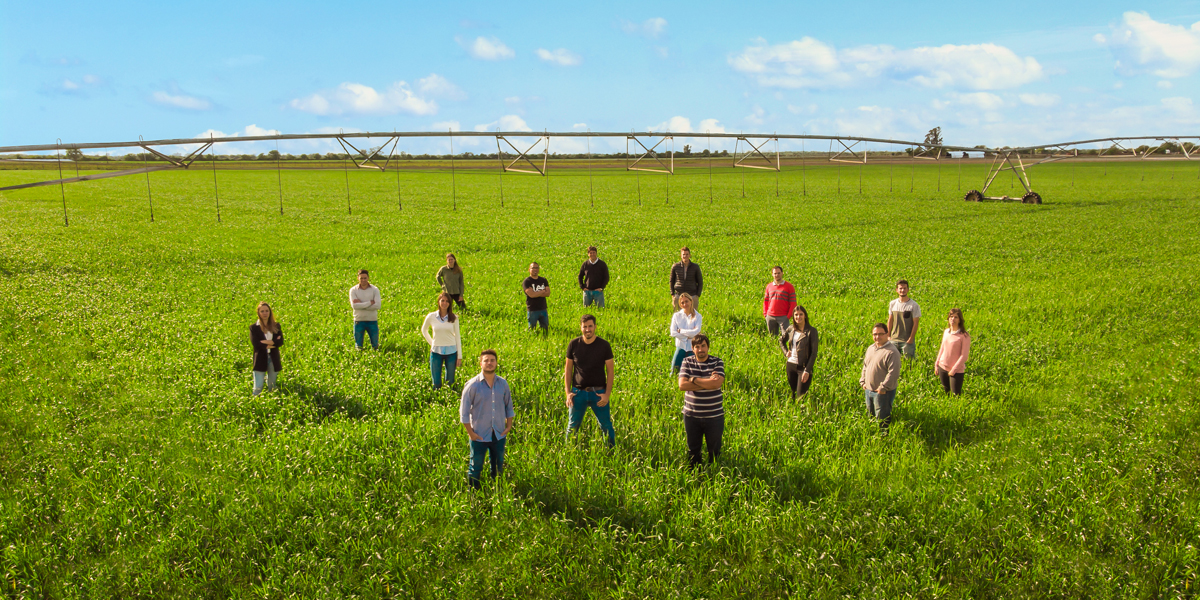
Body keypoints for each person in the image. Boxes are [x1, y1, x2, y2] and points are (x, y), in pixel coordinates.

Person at [459, 349, 514, 489]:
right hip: (479, 435)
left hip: (499, 434)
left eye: (492, 360)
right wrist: (471, 434)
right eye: (486, 360)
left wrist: (508, 426)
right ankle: (474, 496)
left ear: (496, 363)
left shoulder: (503, 384)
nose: (489, 363)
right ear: (480, 364)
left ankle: (497, 492)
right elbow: (464, 413)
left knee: (497, 467)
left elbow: (509, 407)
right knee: (475, 467)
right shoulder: (472, 385)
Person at [563, 314, 616, 447]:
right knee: (572, 427)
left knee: (606, 427)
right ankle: (569, 453)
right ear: (581, 328)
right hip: (578, 393)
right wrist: (568, 393)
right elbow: (568, 370)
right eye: (585, 326)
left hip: (598, 394)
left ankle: (611, 453)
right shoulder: (573, 344)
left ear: (595, 327)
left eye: (590, 326)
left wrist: (607, 394)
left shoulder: (604, 345)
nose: (588, 329)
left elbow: (610, 371)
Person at [677, 334, 725, 466]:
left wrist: (693, 379)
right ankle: (695, 477)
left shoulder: (717, 362)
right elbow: (682, 385)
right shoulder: (687, 362)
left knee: (714, 452)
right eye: (697, 347)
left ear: (708, 347)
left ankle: (714, 478)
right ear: (692, 348)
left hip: (714, 416)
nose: (700, 349)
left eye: (703, 346)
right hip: (692, 416)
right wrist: (707, 382)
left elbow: (716, 384)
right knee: (693, 451)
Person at [861, 323, 901, 434]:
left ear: (887, 334)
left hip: (883, 392)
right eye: (875, 334)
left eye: (880, 334)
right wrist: (863, 381)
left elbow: (893, 373)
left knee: (882, 419)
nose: (877, 337)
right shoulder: (871, 348)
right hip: (868, 390)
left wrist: (883, 388)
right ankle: (872, 438)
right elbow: (865, 365)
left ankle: (884, 439)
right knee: (871, 416)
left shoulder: (892, 352)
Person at [421, 292, 463, 389]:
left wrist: (459, 356)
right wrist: (432, 343)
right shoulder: (431, 316)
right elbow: (424, 330)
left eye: (447, 301)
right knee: (436, 382)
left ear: (450, 303)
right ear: (439, 302)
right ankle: (437, 400)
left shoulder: (454, 318)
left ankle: (449, 400)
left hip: (451, 352)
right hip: (436, 352)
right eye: (442, 300)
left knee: (450, 382)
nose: (444, 303)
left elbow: (457, 337)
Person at [779, 305, 819, 399]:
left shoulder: (811, 331)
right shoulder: (791, 328)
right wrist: (785, 352)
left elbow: (814, 353)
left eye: (801, 314)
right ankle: (793, 412)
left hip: (804, 367)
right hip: (791, 365)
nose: (798, 317)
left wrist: (807, 370)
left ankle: (801, 412)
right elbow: (781, 340)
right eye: (796, 315)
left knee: (801, 396)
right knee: (793, 393)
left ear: (805, 316)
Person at [250, 302, 284, 396]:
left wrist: (265, 342)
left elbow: (280, 342)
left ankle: (272, 405)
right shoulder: (254, 328)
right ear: (258, 313)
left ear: (270, 312)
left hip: (273, 358)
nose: (265, 313)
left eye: (266, 311)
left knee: (272, 386)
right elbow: (256, 344)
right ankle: (255, 405)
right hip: (260, 359)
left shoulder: (276, 326)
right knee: (258, 387)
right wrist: (273, 342)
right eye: (262, 311)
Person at [934, 308, 971, 395]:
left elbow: (964, 356)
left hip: (956, 371)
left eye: (956, 317)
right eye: (951, 316)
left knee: (955, 395)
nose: (953, 319)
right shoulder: (946, 332)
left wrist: (953, 370)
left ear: (959, 320)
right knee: (946, 393)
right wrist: (937, 364)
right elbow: (942, 348)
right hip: (942, 367)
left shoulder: (964, 336)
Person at [669, 293, 703, 375]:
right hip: (681, 346)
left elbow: (696, 332)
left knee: (692, 373)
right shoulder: (676, 316)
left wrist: (680, 331)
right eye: (682, 303)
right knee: (674, 371)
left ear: (691, 301)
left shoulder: (698, 316)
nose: (685, 304)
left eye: (686, 301)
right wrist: (688, 336)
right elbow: (673, 332)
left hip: (692, 348)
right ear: (680, 304)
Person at [887, 279, 921, 359]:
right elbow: (890, 320)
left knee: (908, 363)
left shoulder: (914, 305)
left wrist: (911, 338)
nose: (902, 290)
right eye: (900, 288)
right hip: (893, 340)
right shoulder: (893, 304)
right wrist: (888, 335)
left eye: (905, 288)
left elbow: (916, 323)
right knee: (893, 362)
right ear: (897, 290)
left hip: (907, 341)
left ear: (908, 290)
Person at [349, 269, 381, 350]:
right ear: (358, 278)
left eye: (365, 278)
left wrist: (361, 304)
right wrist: (370, 302)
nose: (363, 280)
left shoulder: (375, 289)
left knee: (375, 345)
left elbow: (377, 305)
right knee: (358, 346)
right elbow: (354, 306)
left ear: (368, 278)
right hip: (359, 321)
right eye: (361, 278)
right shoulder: (353, 290)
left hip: (372, 320)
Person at [763, 266, 797, 337]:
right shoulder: (769, 286)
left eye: (778, 273)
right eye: (775, 273)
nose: (777, 275)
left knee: (786, 337)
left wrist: (788, 316)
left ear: (782, 273)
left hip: (783, 317)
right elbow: (766, 301)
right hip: (770, 317)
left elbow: (793, 303)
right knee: (772, 337)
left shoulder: (789, 286)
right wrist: (766, 314)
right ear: (772, 274)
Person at [670, 246, 703, 311]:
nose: (685, 256)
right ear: (681, 256)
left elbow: (700, 282)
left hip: (692, 296)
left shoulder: (695, 267)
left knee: (692, 317)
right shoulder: (675, 266)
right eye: (683, 254)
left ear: (689, 255)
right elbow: (671, 281)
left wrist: (697, 295)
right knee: (678, 317)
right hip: (678, 295)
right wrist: (672, 294)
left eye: (687, 254)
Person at [523, 262, 551, 334]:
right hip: (532, 310)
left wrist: (536, 293)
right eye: (533, 268)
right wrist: (542, 291)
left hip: (543, 309)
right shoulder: (527, 281)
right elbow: (531, 295)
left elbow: (548, 293)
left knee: (545, 329)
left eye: (537, 268)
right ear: (529, 269)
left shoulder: (543, 280)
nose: (535, 269)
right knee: (532, 330)